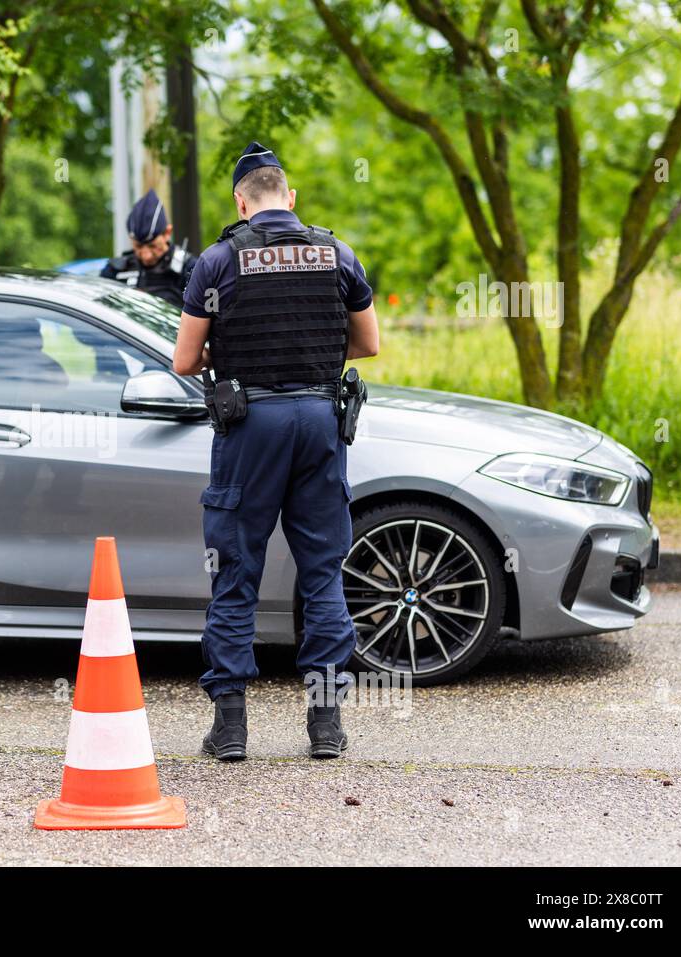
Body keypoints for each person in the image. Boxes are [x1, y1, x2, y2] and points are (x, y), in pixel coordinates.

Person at [171, 141, 380, 761]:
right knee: (322, 573)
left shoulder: (218, 261)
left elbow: (185, 360)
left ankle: (231, 726)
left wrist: (228, 354)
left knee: (236, 570)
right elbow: (366, 344)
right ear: (290, 198)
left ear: (241, 202)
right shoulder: (335, 254)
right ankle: (326, 725)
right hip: (319, 420)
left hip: (250, 425)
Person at [101, 188, 198, 308]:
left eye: (152, 246)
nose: (146, 256)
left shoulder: (190, 270)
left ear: (167, 233)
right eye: (138, 246)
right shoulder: (114, 271)